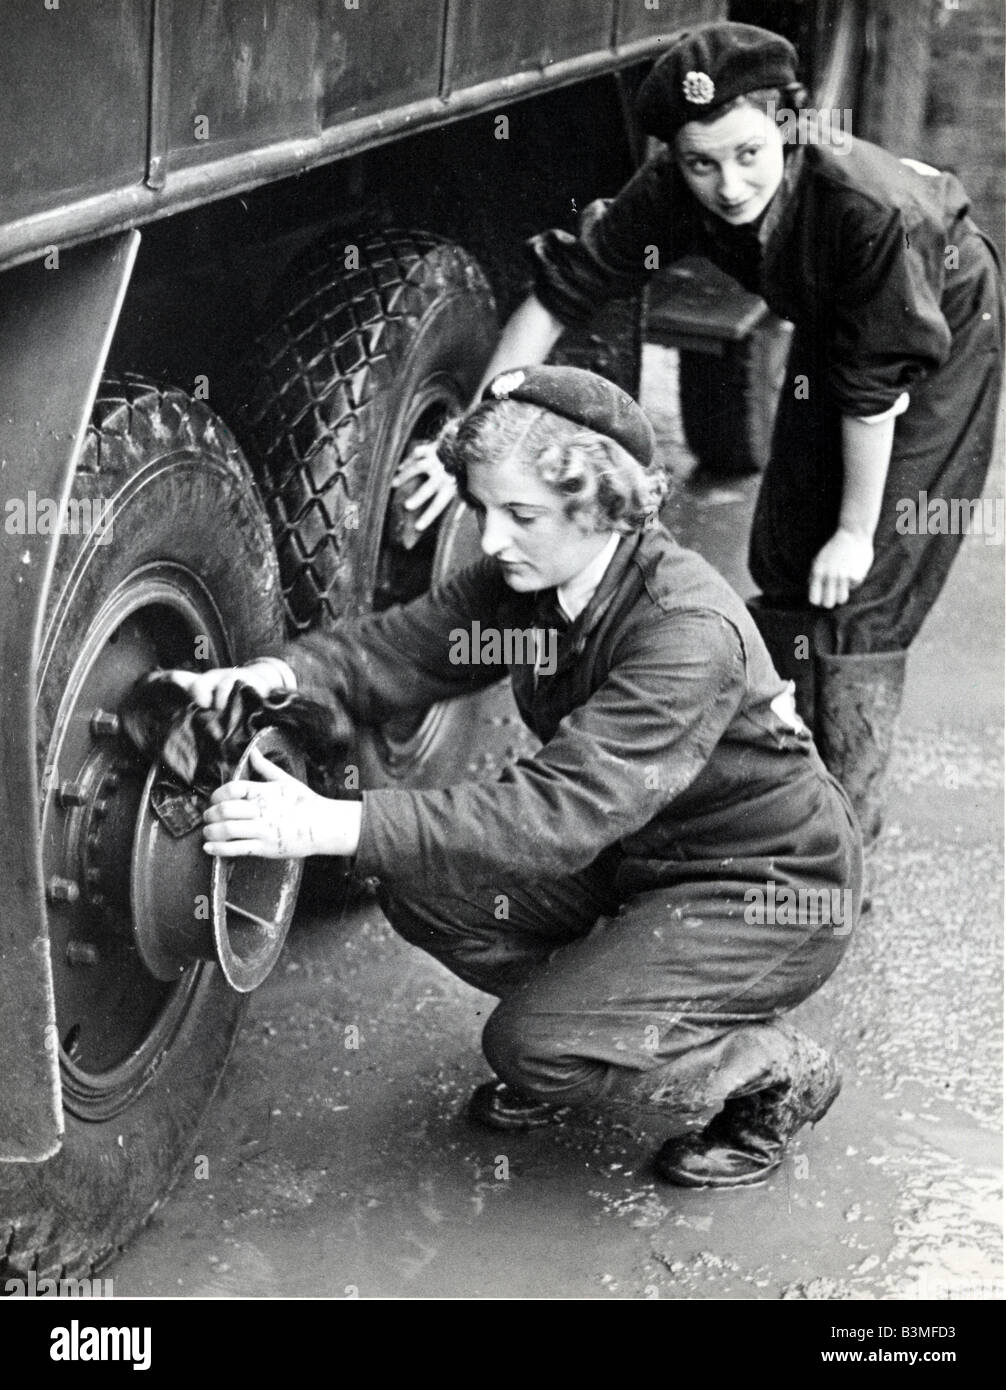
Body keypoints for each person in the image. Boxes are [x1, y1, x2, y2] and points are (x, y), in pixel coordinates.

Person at [171, 364, 862, 1189]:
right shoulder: (531, 582)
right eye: (484, 511)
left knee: (527, 1046)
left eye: (521, 515)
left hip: (764, 890)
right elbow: (389, 655)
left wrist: (334, 823)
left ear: (600, 502)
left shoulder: (685, 631)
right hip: (639, 854)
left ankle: (768, 1069)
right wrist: (273, 678)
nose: (493, 539)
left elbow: (559, 813)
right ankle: (597, 1028)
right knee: (419, 882)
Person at [395, 20, 1004, 845]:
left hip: (938, 329)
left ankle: (833, 851)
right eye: (701, 163)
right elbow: (562, 295)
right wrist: (469, 431)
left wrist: (857, 532)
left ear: (787, 131)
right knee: (787, 559)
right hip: (837, 328)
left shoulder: (866, 210)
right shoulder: (679, 193)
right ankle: (777, 797)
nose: (728, 184)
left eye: (749, 155)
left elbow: (872, 398)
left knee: (861, 592)